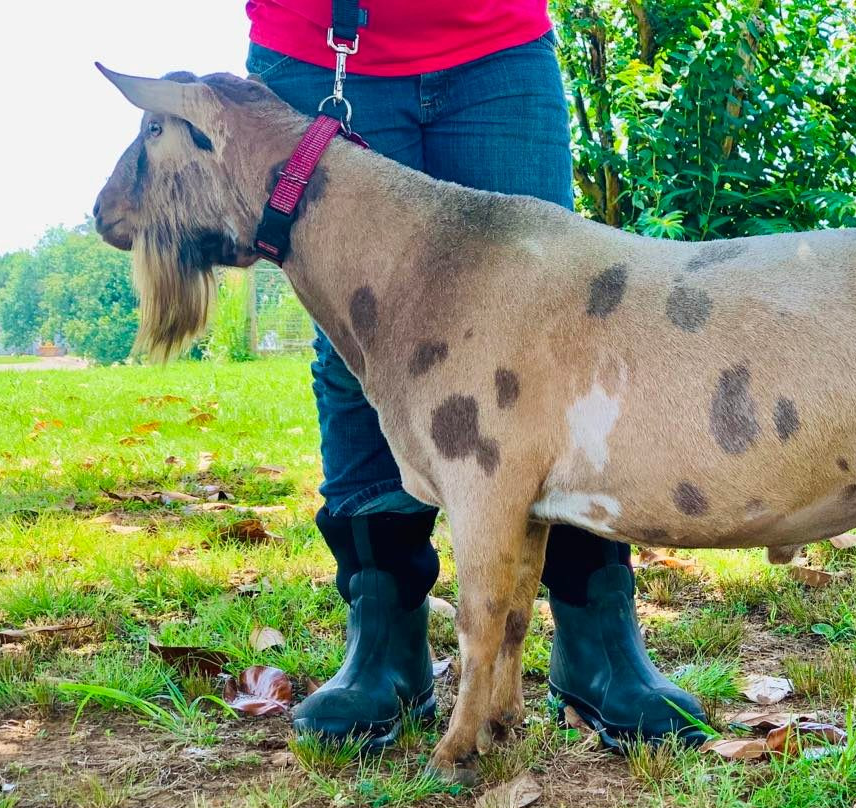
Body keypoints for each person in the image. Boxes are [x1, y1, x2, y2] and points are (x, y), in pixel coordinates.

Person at [244, 0, 707, 752]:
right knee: (360, 346)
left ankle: (597, 630)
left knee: (558, 335)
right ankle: (384, 633)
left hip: (496, 45)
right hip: (319, 45)